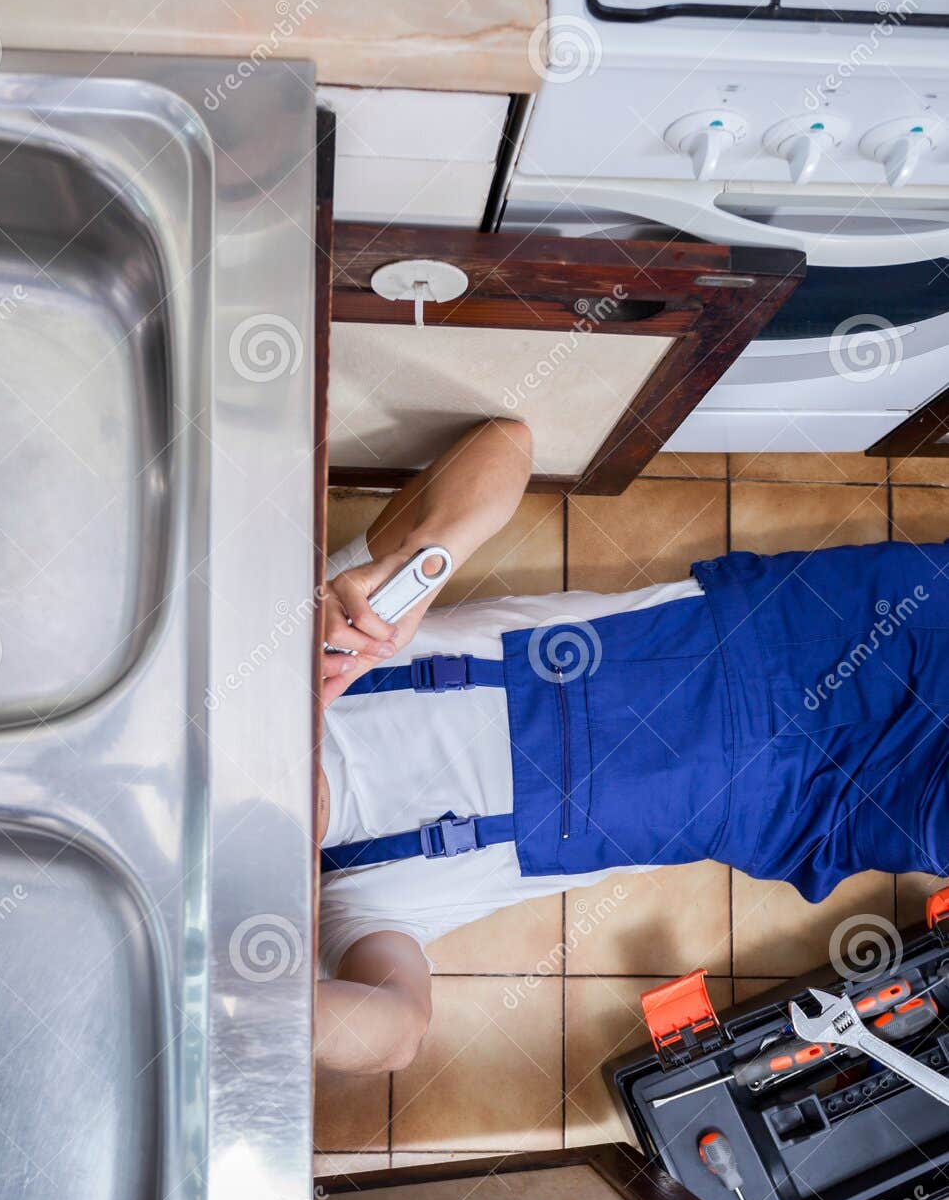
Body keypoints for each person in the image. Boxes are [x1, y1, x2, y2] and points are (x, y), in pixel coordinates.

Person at [316, 419, 948, 1077]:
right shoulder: (358, 899)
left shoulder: (321, 643)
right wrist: (232, 1009)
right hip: (819, 801)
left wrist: (418, 562)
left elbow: (504, 443)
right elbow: (395, 1032)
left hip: (806, 634)